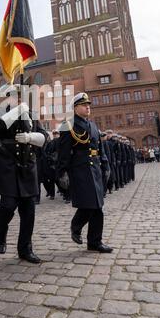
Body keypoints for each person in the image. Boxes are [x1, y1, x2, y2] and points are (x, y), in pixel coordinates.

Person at [0, 84, 46, 263]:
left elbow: (44, 136)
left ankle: (25, 249)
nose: (18, 99)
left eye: (21, 96)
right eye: (14, 96)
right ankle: (1, 231)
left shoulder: (30, 114)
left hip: (27, 166)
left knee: (28, 211)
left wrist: (31, 137)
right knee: (7, 206)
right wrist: (17, 111)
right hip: (8, 166)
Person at [57, 92, 113, 253]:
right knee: (88, 205)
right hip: (80, 169)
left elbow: (99, 149)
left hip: (95, 169)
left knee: (98, 207)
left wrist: (106, 166)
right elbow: (64, 152)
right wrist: (62, 172)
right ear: (75, 108)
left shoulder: (93, 126)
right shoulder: (68, 126)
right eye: (84, 105)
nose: (88, 107)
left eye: (88, 105)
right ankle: (76, 226)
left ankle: (95, 242)